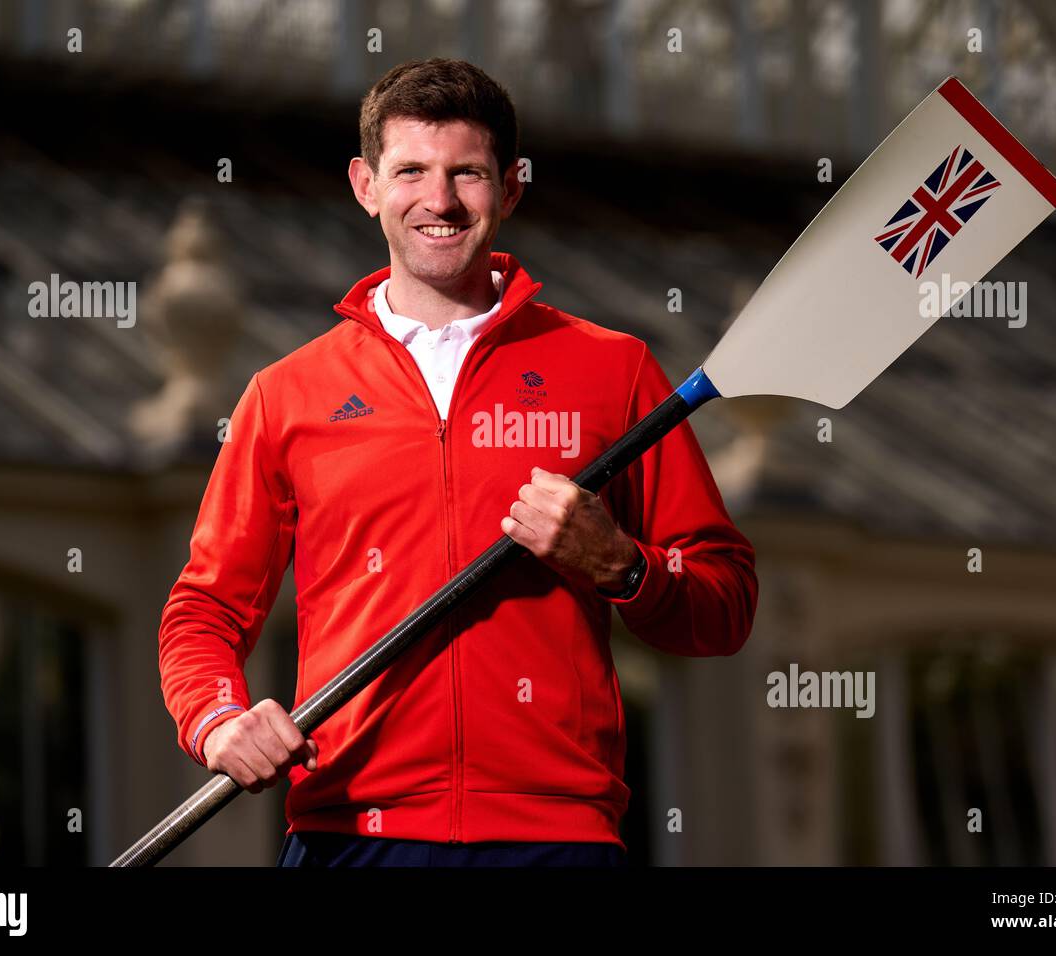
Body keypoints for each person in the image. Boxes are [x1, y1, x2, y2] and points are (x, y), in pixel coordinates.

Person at [157, 57, 759, 867]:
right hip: (351, 832)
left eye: (466, 173)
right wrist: (219, 719)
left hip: (555, 841)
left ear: (509, 189)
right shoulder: (287, 395)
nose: (438, 202)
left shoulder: (611, 370)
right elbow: (205, 613)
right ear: (366, 185)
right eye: (410, 171)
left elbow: (725, 602)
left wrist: (621, 565)